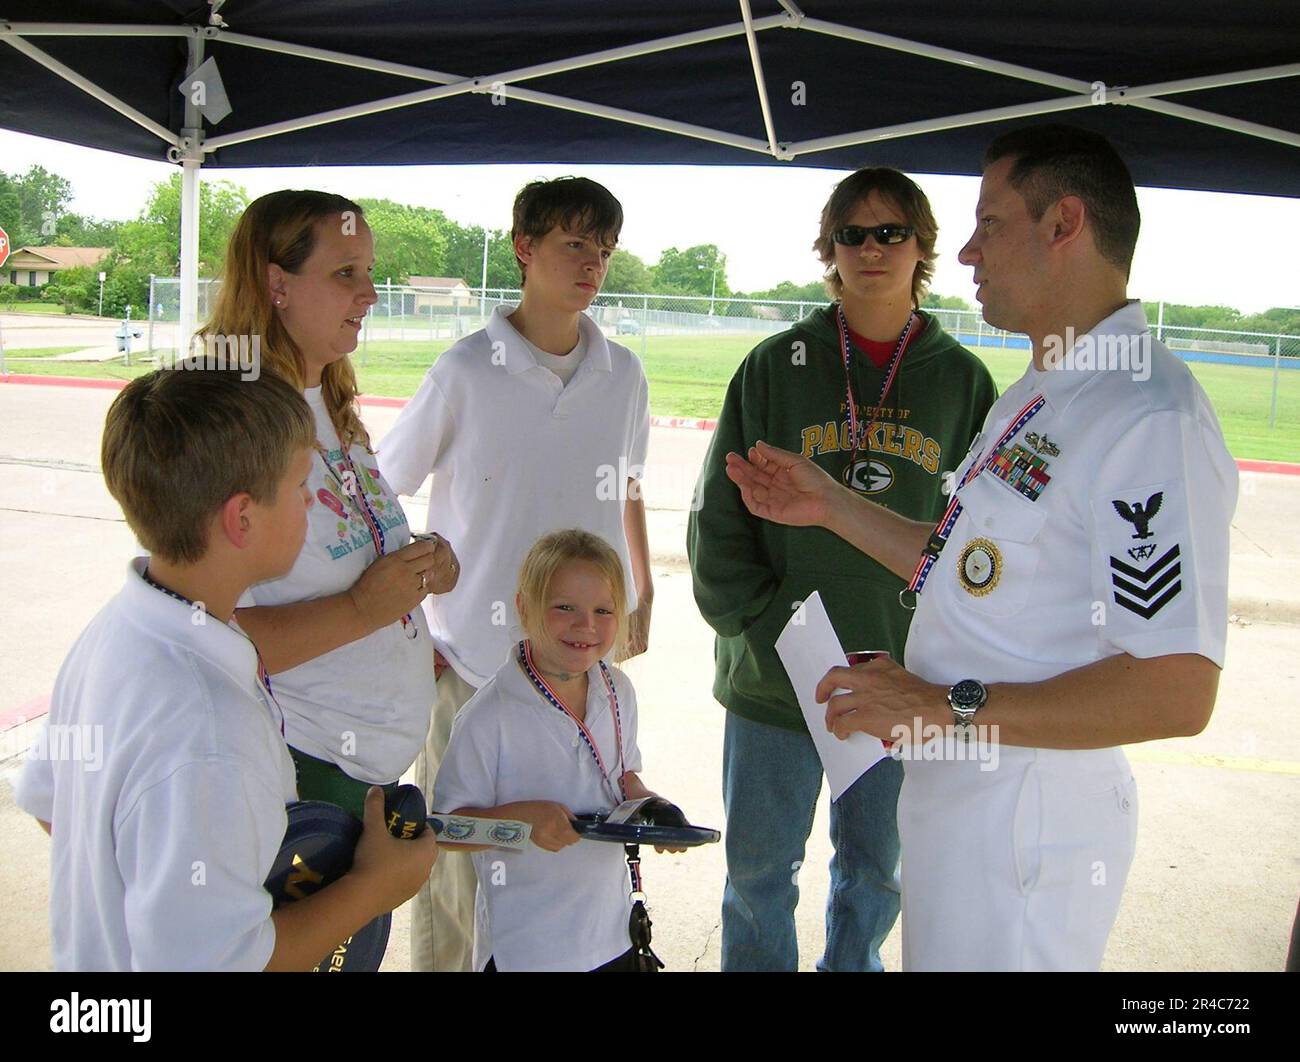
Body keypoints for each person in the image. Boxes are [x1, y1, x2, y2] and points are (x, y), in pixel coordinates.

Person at [724, 124, 1237, 971]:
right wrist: (834, 507)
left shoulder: (1148, 417)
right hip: (963, 810)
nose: (964, 252)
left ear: (1063, 222)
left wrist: (938, 707)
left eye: (989, 223)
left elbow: (1176, 689)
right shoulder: (1041, 393)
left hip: (1027, 833)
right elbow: (973, 567)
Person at [13, 365, 438, 970]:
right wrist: (375, 887)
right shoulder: (210, 729)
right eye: (299, 489)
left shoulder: (115, 633)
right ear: (242, 519)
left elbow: (53, 805)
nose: (310, 504)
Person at [687, 168, 996, 971]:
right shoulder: (774, 364)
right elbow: (717, 523)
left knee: (875, 875)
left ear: (922, 245)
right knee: (758, 877)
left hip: (899, 676)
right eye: (853, 233)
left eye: (891, 231)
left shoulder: (963, 381)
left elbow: (982, 549)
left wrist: (944, 658)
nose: (871, 248)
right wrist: (758, 627)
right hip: (774, 680)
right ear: (830, 248)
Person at [379, 176, 653, 971]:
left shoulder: (623, 373)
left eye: (603, 250)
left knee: (570, 862)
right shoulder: (466, 369)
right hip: (473, 663)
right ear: (524, 248)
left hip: (578, 663)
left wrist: (641, 589)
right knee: (459, 876)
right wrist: (413, 620)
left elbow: (628, 483)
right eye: (574, 244)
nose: (592, 264)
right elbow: (384, 491)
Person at [212, 191, 460, 820]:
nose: (370, 294)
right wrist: (361, 609)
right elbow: (198, 635)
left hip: (365, 780)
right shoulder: (224, 421)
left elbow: (348, 549)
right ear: (277, 284)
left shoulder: (327, 398)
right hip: (298, 778)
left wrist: (423, 566)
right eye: (345, 273)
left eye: (369, 272)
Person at [434, 529, 686, 972]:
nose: (585, 625)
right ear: (524, 608)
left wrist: (651, 809)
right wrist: (520, 824)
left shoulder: (618, 690)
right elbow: (446, 830)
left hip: (612, 939)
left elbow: (625, 779)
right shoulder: (488, 715)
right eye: (564, 607)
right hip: (526, 950)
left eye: (603, 610)